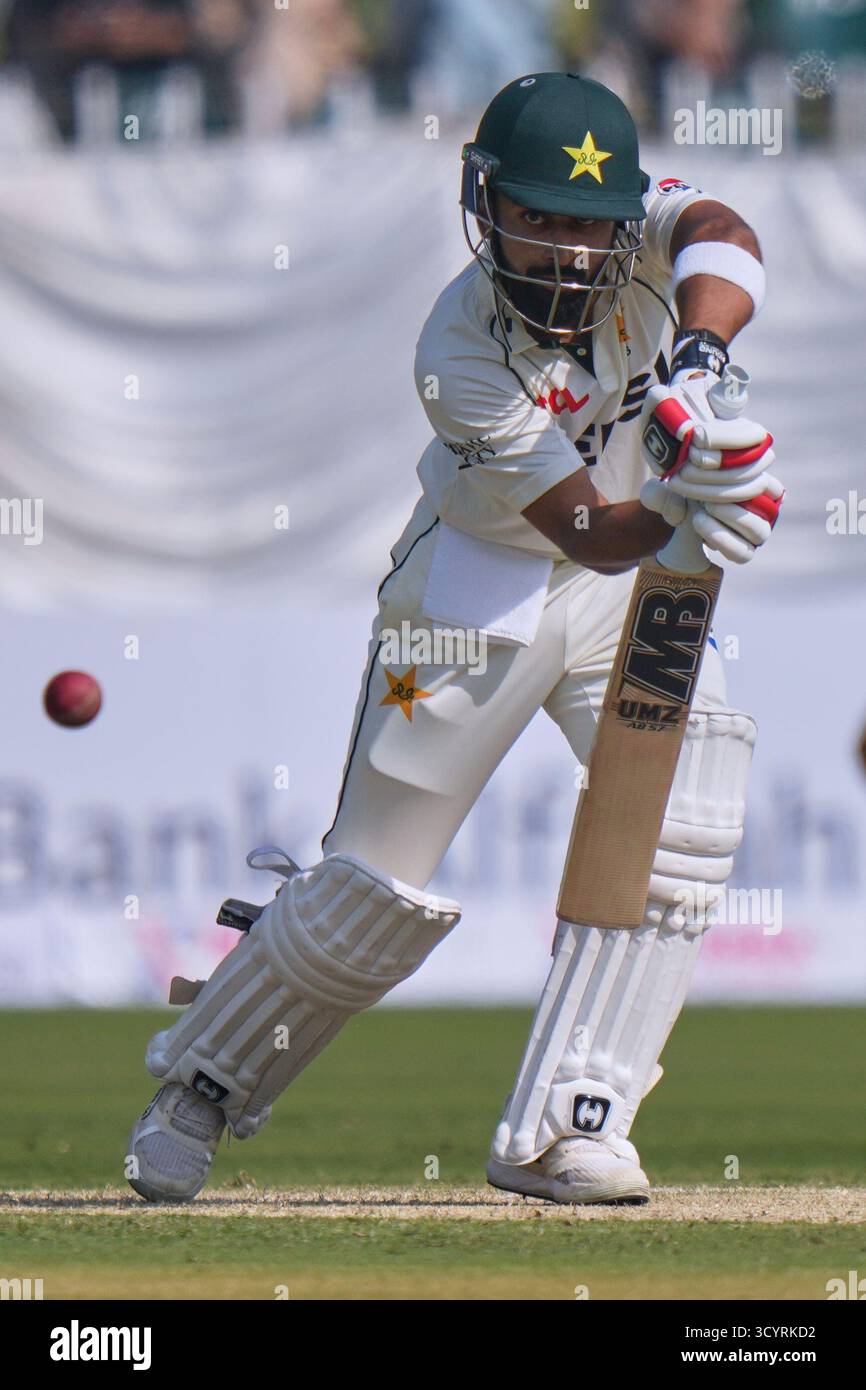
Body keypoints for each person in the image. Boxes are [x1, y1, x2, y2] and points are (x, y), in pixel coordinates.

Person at [126, 72, 782, 1205]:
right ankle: (201, 1081)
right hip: (473, 595)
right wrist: (691, 497)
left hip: (621, 598)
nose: (570, 253)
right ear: (488, 206)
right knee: (373, 890)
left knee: (687, 817)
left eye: (588, 224)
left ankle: (569, 1123)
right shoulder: (456, 347)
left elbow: (726, 234)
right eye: (539, 218)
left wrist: (696, 366)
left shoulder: (652, 246)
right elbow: (591, 526)